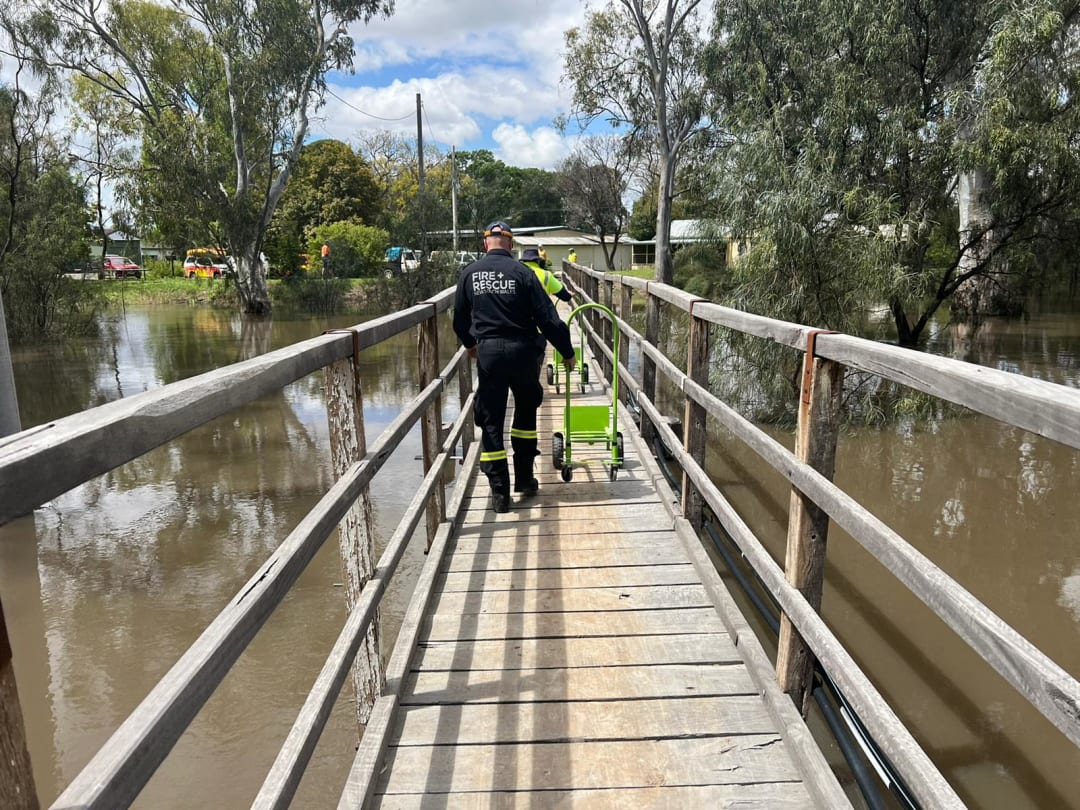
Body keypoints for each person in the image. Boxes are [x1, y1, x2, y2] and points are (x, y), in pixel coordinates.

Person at [454, 221, 576, 513]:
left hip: (489, 353)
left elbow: (458, 318)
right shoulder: (523, 273)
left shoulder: (469, 274)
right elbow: (548, 319)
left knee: (492, 419)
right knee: (524, 411)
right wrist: (567, 351)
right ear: (510, 244)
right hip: (523, 352)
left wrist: (471, 344)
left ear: (486, 243)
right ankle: (524, 478)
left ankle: (499, 493)